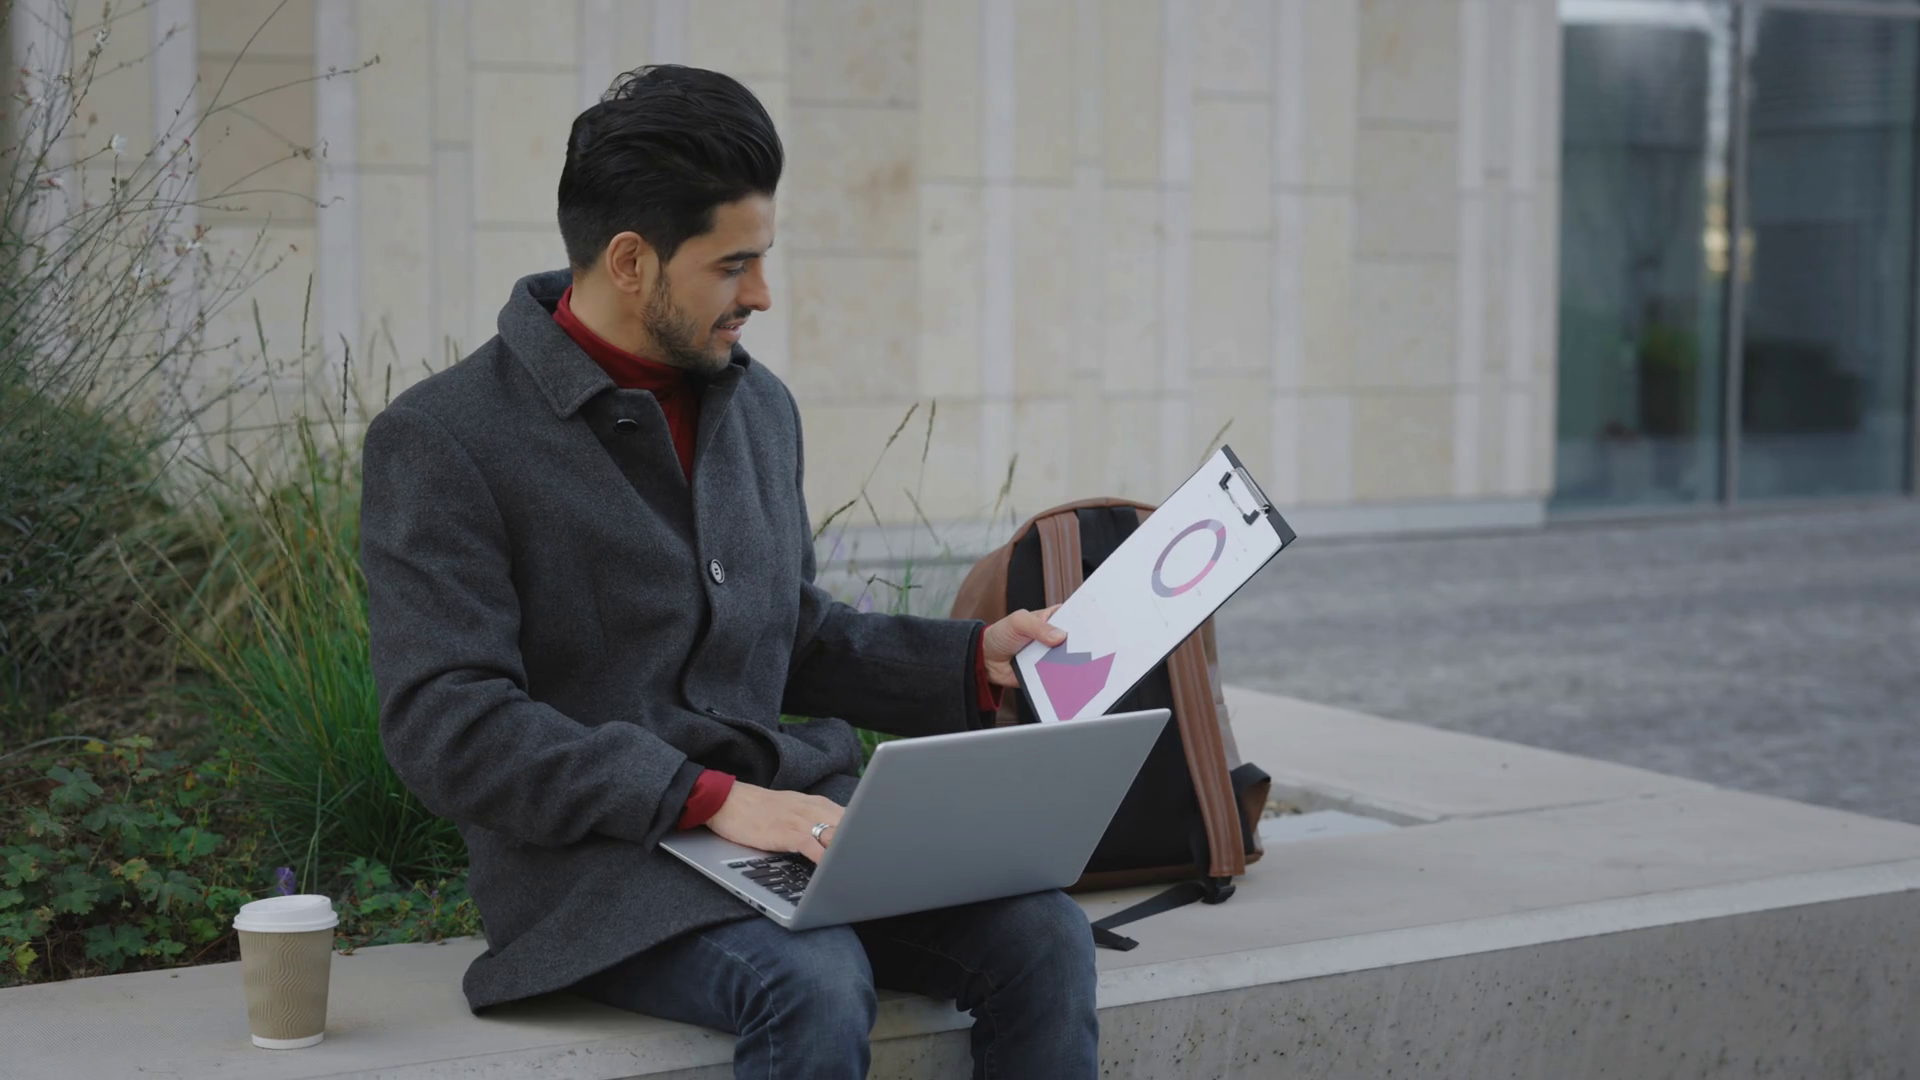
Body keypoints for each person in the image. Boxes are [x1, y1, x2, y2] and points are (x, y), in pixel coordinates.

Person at [357, 64, 1100, 1079]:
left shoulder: (760, 407)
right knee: (812, 978)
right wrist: (704, 797)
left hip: (789, 826)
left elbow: (787, 634)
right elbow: (448, 723)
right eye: (733, 265)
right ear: (631, 261)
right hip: (602, 871)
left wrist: (974, 661)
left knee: (1044, 935)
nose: (761, 295)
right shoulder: (444, 440)